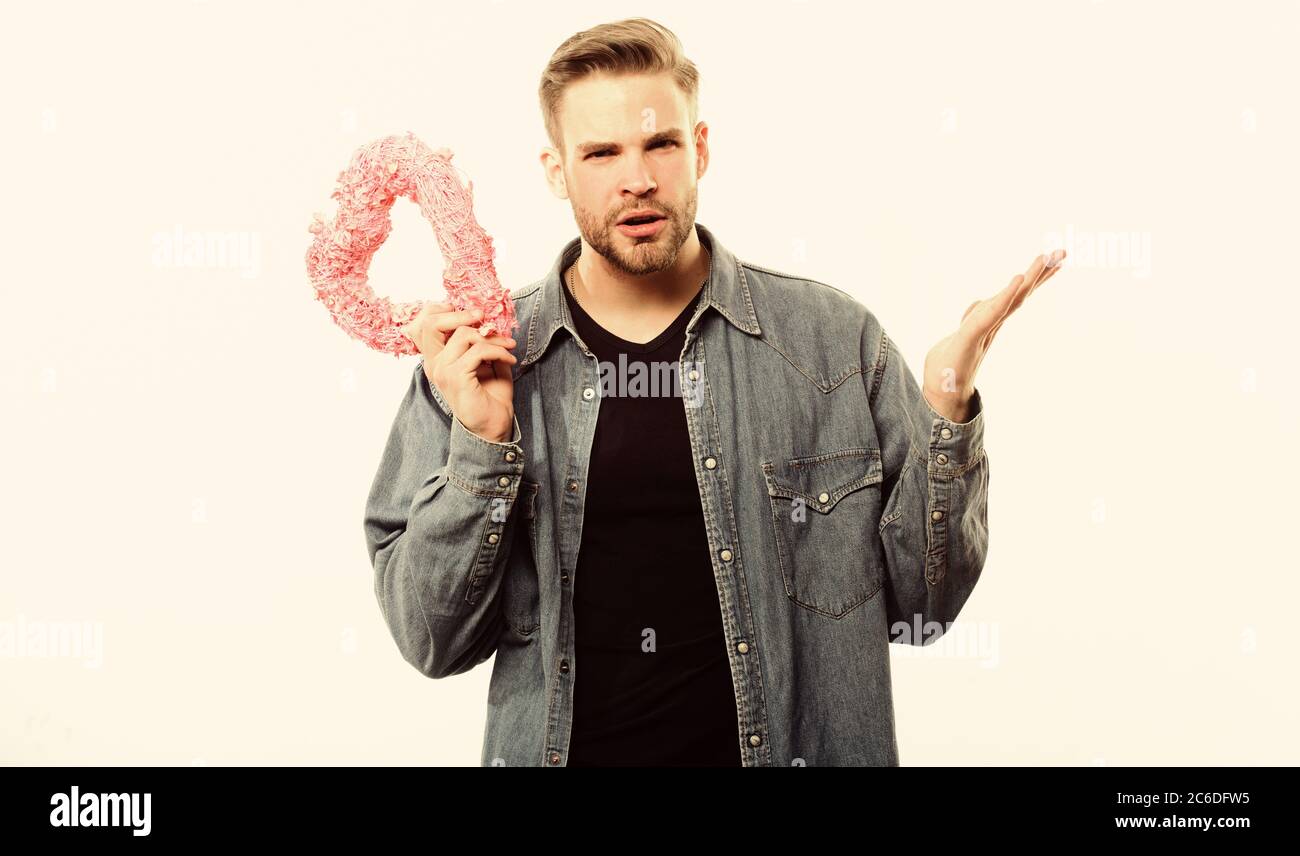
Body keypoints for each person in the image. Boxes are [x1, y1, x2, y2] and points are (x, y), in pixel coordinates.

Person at [366, 17, 1065, 767]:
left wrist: (945, 405)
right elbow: (431, 641)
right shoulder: (475, 363)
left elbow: (925, 612)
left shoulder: (831, 342)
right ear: (556, 170)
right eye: (601, 153)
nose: (636, 178)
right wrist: (481, 447)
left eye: (660, 144)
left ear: (699, 148)